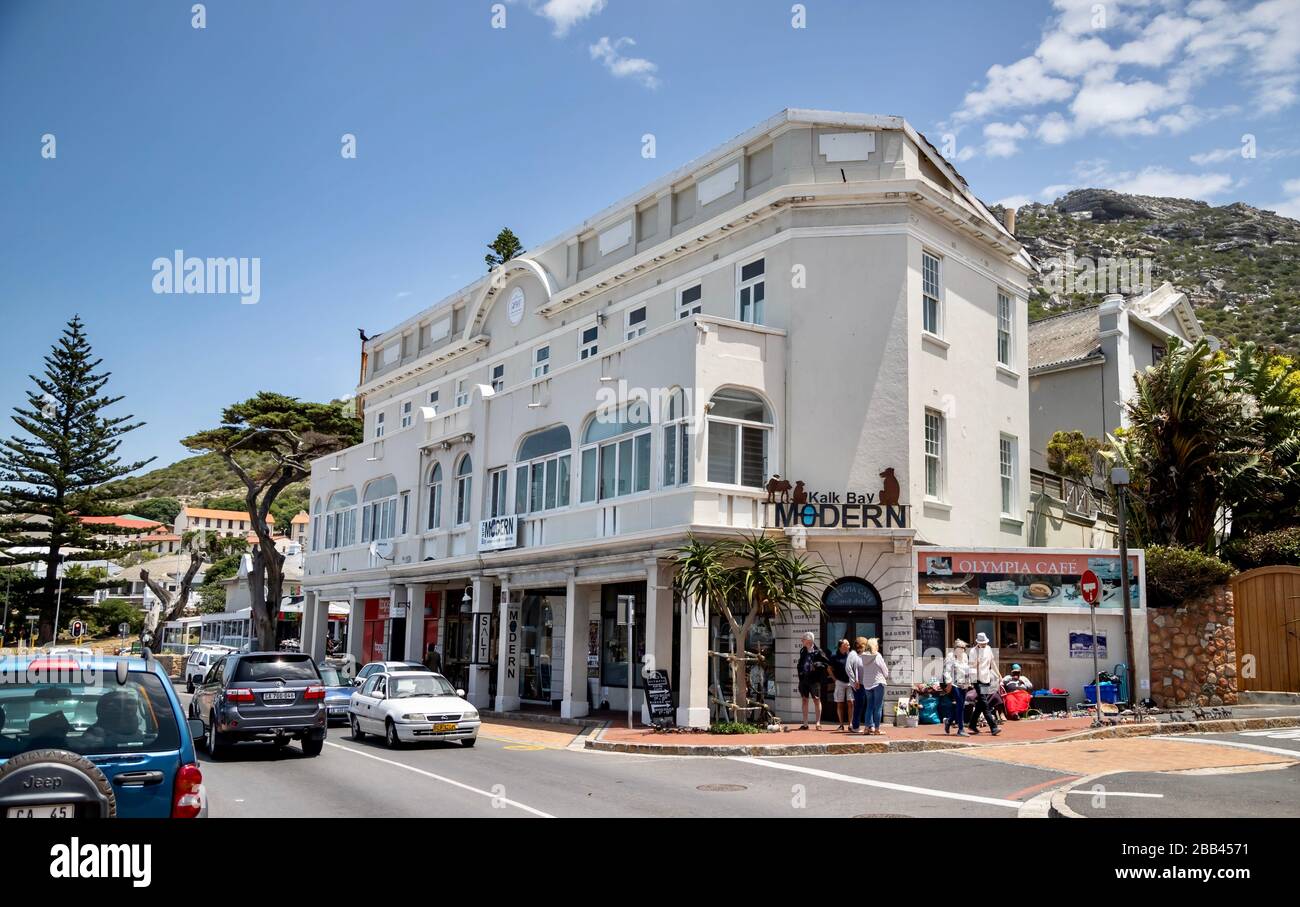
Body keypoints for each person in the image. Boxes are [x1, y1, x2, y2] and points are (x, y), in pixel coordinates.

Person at [968, 632, 1002, 736]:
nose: (983, 645)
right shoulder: (973, 651)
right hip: (977, 680)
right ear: (978, 642)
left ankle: (972, 724)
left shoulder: (988, 649)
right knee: (985, 704)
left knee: (981, 704)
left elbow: (992, 662)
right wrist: (971, 681)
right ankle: (993, 727)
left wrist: (999, 674)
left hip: (986, 679)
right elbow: (971, 667)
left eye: (985, 643)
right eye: (982, 643)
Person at [795, 632, 830, 730]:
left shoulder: (818, 651)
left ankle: (818, 723)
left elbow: (826, 663)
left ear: (809, 641)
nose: (802, 640)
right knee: (804, 700)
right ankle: (805, 724)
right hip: (804, 679)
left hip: (814, 680)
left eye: (803, 639)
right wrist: (800, 673)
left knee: (816, 700)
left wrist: (817, 665)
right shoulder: (803, 651)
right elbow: (801, 663)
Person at [860, 637, 890, 735]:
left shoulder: (863, 656)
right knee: (878, 707)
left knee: (869, 706)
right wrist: (886, 675)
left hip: (867, 684)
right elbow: (884, 670)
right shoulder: (877, 656)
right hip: (878, 683)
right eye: (877, 645)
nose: (878, 646)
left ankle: (866, 728)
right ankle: (877, 729)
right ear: (874, 646)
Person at [943, 639, 971, 736]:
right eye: (962, 648)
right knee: (960, 704)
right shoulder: (950, 657)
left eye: (965, 648)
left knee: (961, 706)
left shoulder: (965, 657)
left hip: (963, 683)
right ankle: (961, 729)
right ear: (956, 648)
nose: (963, 650)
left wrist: (968, 682)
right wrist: (949, 683)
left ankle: (949, 721)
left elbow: (967, 670)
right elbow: (946, 671)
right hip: (954, 684)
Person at [828, 639, 853, 730]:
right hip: (840, 682)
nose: (849, 646)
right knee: (840, 703)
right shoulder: (834, 656)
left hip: (850, 682)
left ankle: (850, 724)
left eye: (849, 644)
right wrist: (835, 680)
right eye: (847, 644)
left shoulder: (851, 655)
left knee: (851, 702)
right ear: (841, 646)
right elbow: (829, 669)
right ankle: (841, 724)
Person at [846, 636, 868, 734]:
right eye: (864, 644)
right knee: (859, 705)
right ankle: (855, 726)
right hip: (859, 684)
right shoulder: (853, 654)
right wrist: (854, 681)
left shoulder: (864, 654)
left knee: (863, 705)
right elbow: (848, 668)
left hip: (866, 683)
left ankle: (866, 726)